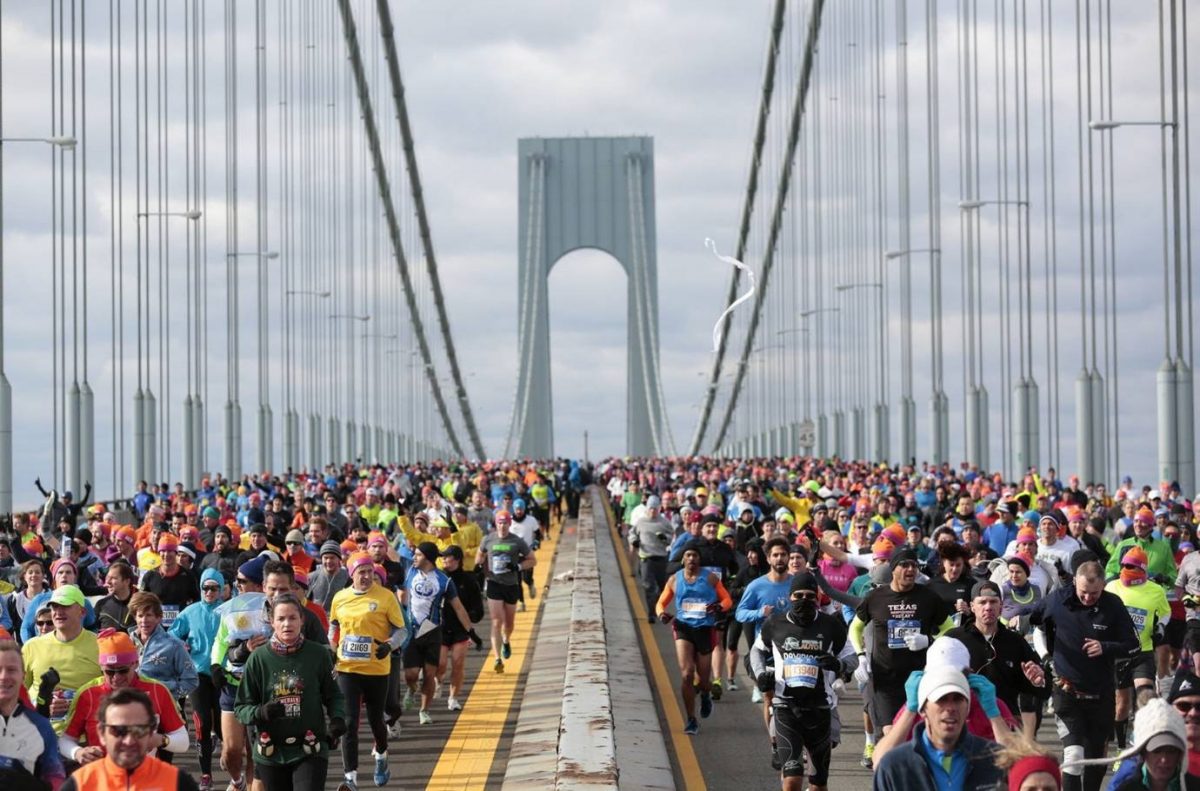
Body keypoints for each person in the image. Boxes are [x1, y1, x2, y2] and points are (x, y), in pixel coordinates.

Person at [1020, 560, 1140, 791]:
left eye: (1094, 594)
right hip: (1067, 692)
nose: (1087, 598)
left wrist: (1105, 647)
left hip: (1102, 693)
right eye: (1083, 592)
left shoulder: (1113, 604)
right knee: (1073, 756)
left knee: (1095, 760)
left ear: (1104, 585)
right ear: (1074, 581)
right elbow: (1031, 618)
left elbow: (1134, 645)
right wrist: (1014, 619)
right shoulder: (1058, 600)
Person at [749, 570, 855, 790]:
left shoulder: (831, 625)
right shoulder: (775, 623)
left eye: (809, 596)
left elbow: (852, 657)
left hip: (820, 709)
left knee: (818, 784)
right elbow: (756, 651)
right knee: (792, 780)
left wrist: (839, 666)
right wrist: (760, 676)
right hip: (786, 707)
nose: (804, 600)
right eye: (799, 596)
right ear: (790, 597)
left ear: (817, 598)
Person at [234, 594, 346, 791]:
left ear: (302, 620)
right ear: (272, 622)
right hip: (271, 751)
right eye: (281, 619)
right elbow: (241, 708)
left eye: (292, 618)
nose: (287, 624)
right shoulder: (258, 659)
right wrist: (260, 713)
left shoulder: (318, 654)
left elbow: (333, 695)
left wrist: (337, 718)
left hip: (310, 747)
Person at [850, 547, 955, 737]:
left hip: (920, 678)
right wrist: (860, 657)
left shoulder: (928, 597)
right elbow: (855, 628)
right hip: (885, 680)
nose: (911, 569)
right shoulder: (876, 597)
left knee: (918, 734)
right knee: (892, 733)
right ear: (893, 569)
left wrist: (929, 641)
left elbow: (950, 629)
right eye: (905, 565)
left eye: (914, 565)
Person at [329, 552, 408, 789]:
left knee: (376, 721)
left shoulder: (385, 597)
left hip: (376, 668)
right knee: (349, 721)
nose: (366, 576)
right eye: (361, 572)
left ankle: (382, 756)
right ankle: (350, 777)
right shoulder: (340, 598)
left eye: (370, 572)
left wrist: (389, 646)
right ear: (351, 574)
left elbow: (401, 631)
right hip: (347, 667)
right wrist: (332, 650)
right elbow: (334, 628)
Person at [58, 629, 189, 767]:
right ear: (101, 667)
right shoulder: (87, 694)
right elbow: (65, 740)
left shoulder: (158, 690)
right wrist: (78, 753)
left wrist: (161, 740)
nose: (116, 678)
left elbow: (183, 742)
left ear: (136, 664)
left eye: (123, 671)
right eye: (109, 672)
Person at [871, 665, 1004, 790]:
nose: (951, 708)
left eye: (958, 699)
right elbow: (880, 763)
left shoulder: (993, 760)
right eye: (941, 699)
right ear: (922, 709)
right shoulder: (895, 765)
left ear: (967, 707)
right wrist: (910, 710)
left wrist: (994, 714)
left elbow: (1018, 769)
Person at [946, 580, 1049, 740]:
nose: (988, 607)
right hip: (964, 727)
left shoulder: (1015, 642)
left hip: (1004, 727)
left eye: (993, 602)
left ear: (1001, 607)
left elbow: (1041, 689)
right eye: (982, 602)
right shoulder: (954, 639)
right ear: (972, 606)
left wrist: (1037, 681)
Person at [655, 541, 733, 736]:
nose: (691, 559)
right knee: (687, 674)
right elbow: (661, 603)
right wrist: (662, 614)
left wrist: (719, 607)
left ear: (700, 559)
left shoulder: (711, 578)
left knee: (704, 680)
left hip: (705, 629)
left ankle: (705, 693)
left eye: (695, 555)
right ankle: (691, 719)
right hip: (683, 628)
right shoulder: (675, 579)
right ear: (683, 559)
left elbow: (727, 600)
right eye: (688, 555)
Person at [60, 687, 200, 791]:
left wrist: (164, 740)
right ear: (102, 733)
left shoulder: (178, 783)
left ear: (151, 731)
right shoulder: (79, 785)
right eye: (119, 730)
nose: (129, 740)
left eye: (138, 729)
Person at [401, 542, 478, 726]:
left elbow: (458, 608)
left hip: (432, 632)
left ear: (427, 558)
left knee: (429, 673)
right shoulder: (410, 572)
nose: (414, 558)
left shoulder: (444, 581)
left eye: (418, 555)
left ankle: (424, 710)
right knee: (411, 675)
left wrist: (471, 632)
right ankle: (411, 689)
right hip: (412, 631)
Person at [1107, 545, 1173, 751]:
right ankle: (1120, 747)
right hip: (1118, 653)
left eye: (1132, 566)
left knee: (1145, 696)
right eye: (1125, 565)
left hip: (1143, 651)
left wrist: (1160, 627)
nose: (1127, 568)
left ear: (1143, 569)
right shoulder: (1112, 587)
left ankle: (1140, 742)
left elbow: (1165, 612)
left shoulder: (1156, 590)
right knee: (1122, 704)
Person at [169, 569, 226, 791]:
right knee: (202, 724)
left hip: (222, 675)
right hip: (198, 675)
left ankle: (232, 763)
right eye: (206, 588)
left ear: (221, 590)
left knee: (223, 727)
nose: (209, 592)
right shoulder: (189, 612)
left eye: (214, 588)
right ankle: (206, 775)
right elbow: (172, 635)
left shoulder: (226, 612)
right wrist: (182, 646)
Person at [1067, 698, 1199, 790]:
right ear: (1143, 752)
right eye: (1157, 750)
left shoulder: (1194, 786)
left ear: (1181, 754)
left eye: (1171, 750)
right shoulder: (1125, 786)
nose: (1164, 759)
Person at [22, 585, 100, 734]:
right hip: (41, 736)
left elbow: (115, 691)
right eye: (54, 607)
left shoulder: (100, 645)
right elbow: (17, 696)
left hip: (86, 739)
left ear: (82, 612)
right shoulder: (32, 646)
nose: (58, 612)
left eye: (65, 606)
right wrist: (42, 704)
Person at [0, 639, 65, 791]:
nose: (3, 676)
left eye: (11, 670)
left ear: (23, 675)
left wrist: (32, 785)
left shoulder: (40, 726)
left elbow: (56, 779)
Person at [476, 510, 535, 673]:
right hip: (494, 584)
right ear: (496, 524)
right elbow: (479, 555)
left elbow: (533, 560)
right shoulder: (488, 539)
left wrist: (517, 566)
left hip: (511, 585)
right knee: (496, 621)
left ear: (510, 524)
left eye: (505, 523)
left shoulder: (517, 541)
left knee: (509, 623)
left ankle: (506, 640)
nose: (502, 526)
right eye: (500, 522)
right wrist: (480, 565)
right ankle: (497, 658)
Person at [631, 497, 673, 624]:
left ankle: (658, 608)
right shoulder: (641, 522)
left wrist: (664, 538)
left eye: (655, 508)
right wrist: (634, 541)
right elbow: (632, 533)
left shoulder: (664, 522)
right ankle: (651, 614)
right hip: (646, 557)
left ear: (659, 508)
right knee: (648, 586)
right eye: (651, 508)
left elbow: (671, 538)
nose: (653, 511)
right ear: (647, 508)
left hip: (660, 558)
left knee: (662, 588)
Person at [95, 561, 136, 632]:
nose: (108, 582)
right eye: (107, 577)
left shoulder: (140, 604)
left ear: (127, 581)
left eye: (113, 578)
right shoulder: (101, 604)